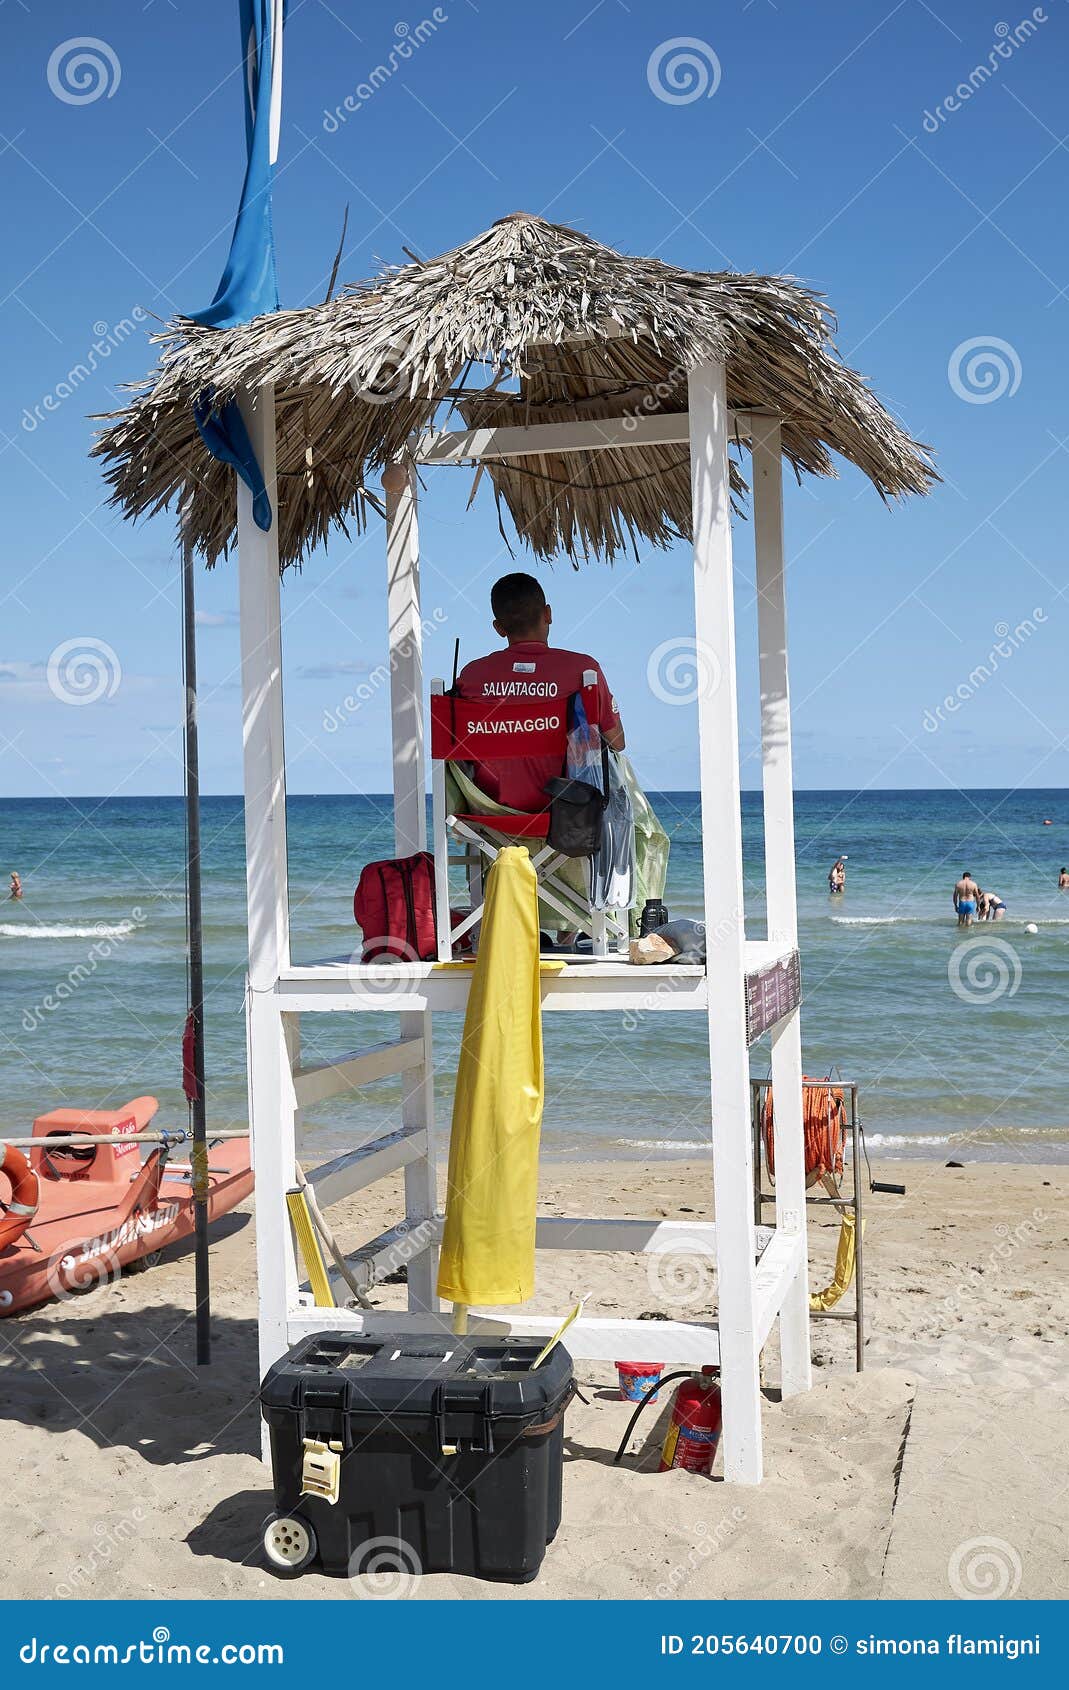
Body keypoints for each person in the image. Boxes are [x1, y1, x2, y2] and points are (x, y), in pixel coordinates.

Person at [455, 572, 624, 811]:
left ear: (499, 628)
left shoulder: (471, 676)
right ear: (548, 614)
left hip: (489, 808)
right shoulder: (583, 670)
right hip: (567, 811)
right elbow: (617, 741)